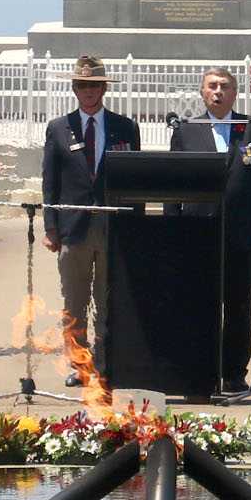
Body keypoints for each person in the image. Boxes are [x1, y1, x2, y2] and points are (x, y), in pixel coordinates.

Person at [166, 66, 251, 392]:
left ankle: (234, 372)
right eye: (212, 86)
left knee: (239, 305)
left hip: (241, 233)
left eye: (225, 86)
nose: (218, 92)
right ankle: (200, 369)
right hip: (196, 233)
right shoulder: (187, 131)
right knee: (199, 304)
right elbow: (172, 184)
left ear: (235, 93)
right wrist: (171, 229)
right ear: (202, 92)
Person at [42, 57, 141, 384]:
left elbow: (134, 181)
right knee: (74, 302)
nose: (88, 91)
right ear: (74, 89)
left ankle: (105, 362)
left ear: (103, 88)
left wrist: (135, 226)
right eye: (82, 85)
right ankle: (79, 366)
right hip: (74, 228)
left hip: (113, 227)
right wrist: (50, 227)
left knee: (109, 300)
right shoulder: (59, 128)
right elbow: (50, 181)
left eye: (94, 85)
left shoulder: (125, 127)